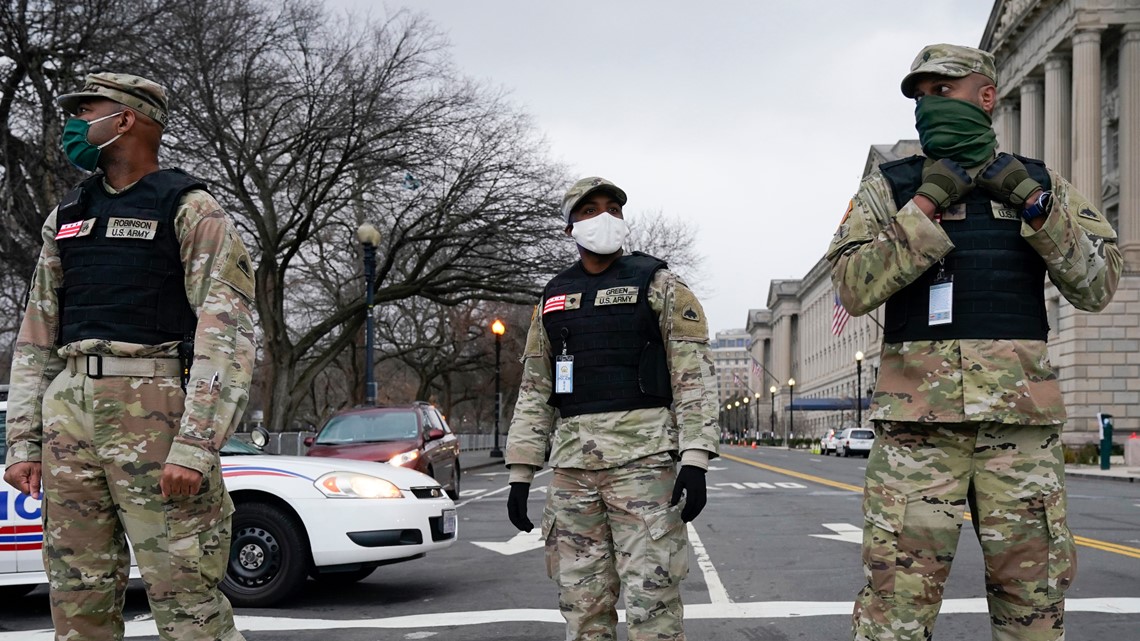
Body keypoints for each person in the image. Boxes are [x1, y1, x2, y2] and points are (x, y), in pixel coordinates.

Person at [827, 44, 1122, 641]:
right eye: (920, 97)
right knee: (895, 608)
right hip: (917, 431)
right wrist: (924, 207)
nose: (928, 107)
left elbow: (1098, 286)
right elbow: (852, 288)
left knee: (1032, 609)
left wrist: (1036, 208)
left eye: (943, 91)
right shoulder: (890, 189)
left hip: (1019, 431)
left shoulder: (1041, 184)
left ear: (986, 97)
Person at [2, 73, 256, 641]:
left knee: (187, 600)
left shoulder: (191, 209)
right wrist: (24, 441)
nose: (73, 123)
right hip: (68, 412)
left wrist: (195, 444)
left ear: (125, 119)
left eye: (85, 109)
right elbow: (36, 335)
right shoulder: (66, 216)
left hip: (154, 409)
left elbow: (227, 333)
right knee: (77, 599)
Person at [504, 177, 720, 641]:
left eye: (612, 208)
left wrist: (695, 458)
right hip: (572, 473)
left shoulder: (659, 284)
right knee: (582, 606)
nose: (603, 217)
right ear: (570, 227)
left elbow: (693, 374)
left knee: (653, 604)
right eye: (589, 210)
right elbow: (535, 387)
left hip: (643, 467)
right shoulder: (552, 297)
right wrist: (521, 473)